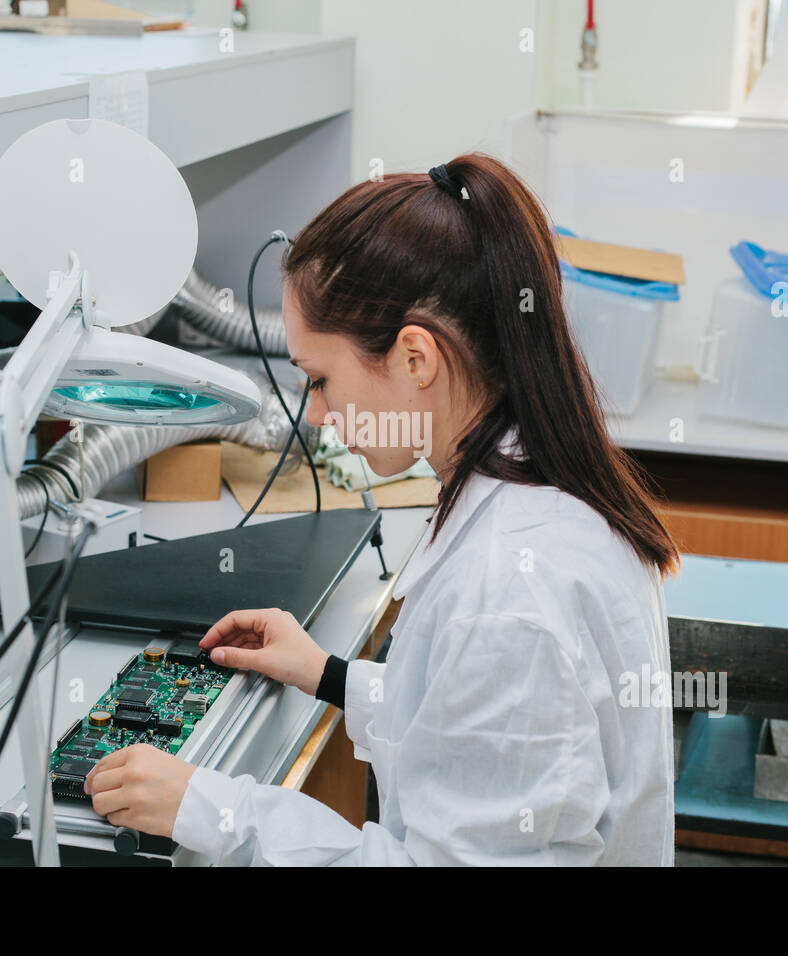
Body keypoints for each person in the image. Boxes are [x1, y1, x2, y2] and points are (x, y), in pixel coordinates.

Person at [84, 153, 679, 865]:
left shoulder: (509, 588)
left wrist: (213, 810)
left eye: (322, 380)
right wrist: (328, 675)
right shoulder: (533, 490)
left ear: (415, 358)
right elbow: (470, 728)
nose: (321, 414)